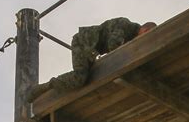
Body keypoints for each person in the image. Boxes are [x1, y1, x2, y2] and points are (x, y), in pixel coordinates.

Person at [28, 18, 157, 101]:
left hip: (92, 50)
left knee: (87, 77)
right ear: (144, 29)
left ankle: (48, 87)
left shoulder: (131, 37)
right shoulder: (127, 26)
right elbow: (114, 44)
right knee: (80, 77)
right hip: (84, 42)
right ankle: (45, 87)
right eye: (147, 35)